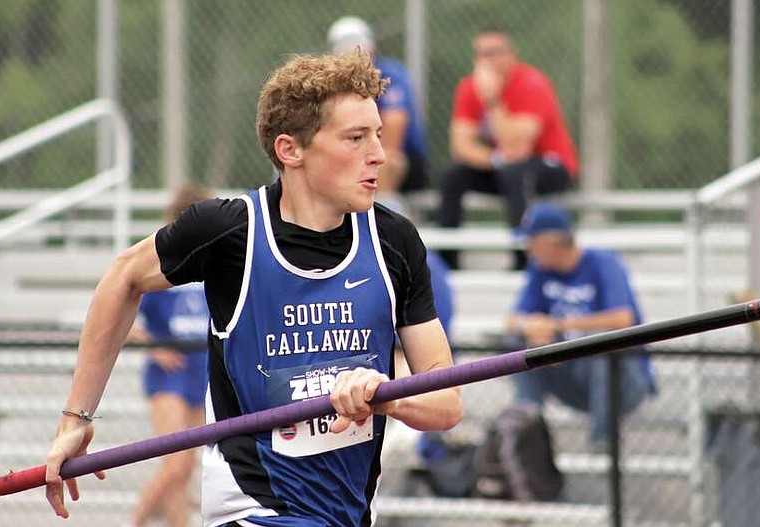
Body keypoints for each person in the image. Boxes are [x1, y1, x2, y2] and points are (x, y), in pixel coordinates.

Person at [44, 50, 462, 527]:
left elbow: (446, 405)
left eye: (379, 136)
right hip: (252, 513)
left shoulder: (394, 242)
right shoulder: (229, 232)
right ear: (291, 150)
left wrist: (388, 396)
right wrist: (76, 419)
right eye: (355, 138)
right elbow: (123, 276)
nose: (379, 155)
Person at [504, 202, 656, 451]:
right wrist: (531, 326)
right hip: (573, 376)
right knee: (518, 342)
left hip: (623, 380)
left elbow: (622, 319)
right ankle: (527, 435)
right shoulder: (540, 270)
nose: (528, 250)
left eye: (532, 242)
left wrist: (557, 326)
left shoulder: (603, 262)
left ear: (553, 242)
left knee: (599, 343)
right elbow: (511, 321)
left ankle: (602, 441)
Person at [438, 27, 579, 271]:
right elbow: (460, 146)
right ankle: (445, 262)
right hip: (506, 168)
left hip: (550, 164)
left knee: (516, 172)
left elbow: (518, 146)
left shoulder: (532, 83)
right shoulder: (469, 88)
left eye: (493, 52)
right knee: (453, 176)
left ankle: (523, 261)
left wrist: (492, 100)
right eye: (480, 53)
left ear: (511, 54)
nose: (486, 60)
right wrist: (494, 159)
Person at [125, 183, 211, 527]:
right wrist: (155, 345)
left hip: (201, 371)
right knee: (175, 464)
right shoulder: (160, 260)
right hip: (169, 375)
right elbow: (121, 317)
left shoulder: (210, 261)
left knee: (186, 467)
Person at [328, 15, 430, 212]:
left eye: (358, 46)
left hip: (404, 162)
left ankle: (381, 225)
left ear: (371, 48)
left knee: (385, 160)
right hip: (353, 156)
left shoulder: (390, 75)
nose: (353, 53)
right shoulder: (331, 82)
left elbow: (392, 134)